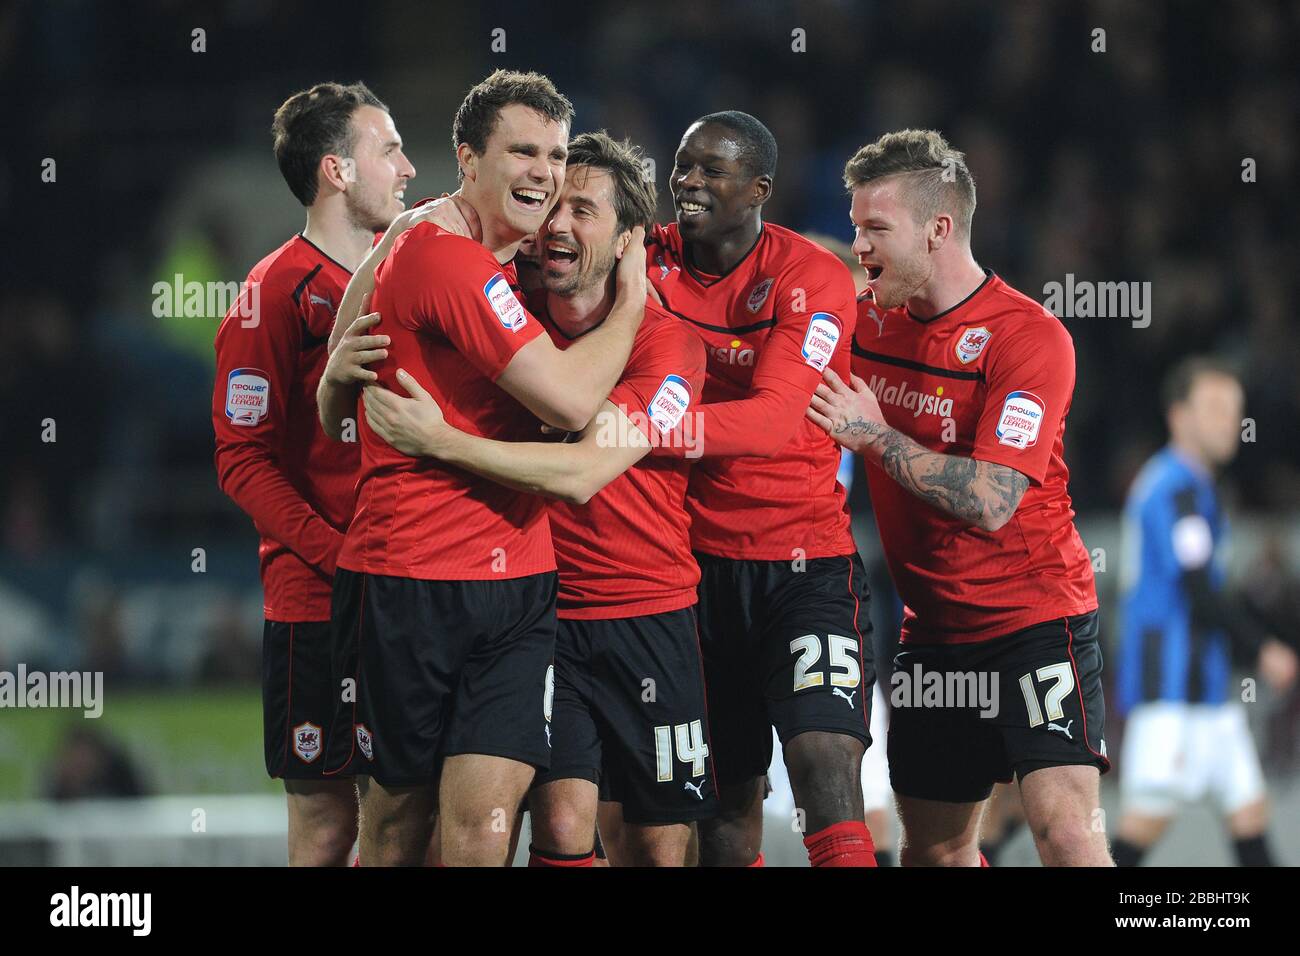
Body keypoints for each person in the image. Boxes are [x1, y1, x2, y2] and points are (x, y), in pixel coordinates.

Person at [314, 70, 648, 866]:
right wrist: (634, 305)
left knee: (486, 821)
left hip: (517, 588)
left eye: (556, 155)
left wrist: (333, 382)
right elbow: (569, 402)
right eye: (521, 151)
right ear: (468, 159)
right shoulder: (446, 257)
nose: (543, 171)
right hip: (407, 584)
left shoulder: (451, 243)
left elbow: (347, 333)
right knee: (396, 827)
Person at [361, 132, 716, 867]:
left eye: (582, 210)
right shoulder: (508, 309)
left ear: (628, 240)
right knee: (553, 824)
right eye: (553, 204)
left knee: (658, 844)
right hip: (542, 616)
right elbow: (420, 252)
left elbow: (586, 472)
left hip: (650, 614)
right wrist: (341, 366)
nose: (555, 224)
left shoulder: (670, 347)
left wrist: (442, 442)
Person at [808, 129, 1110, 866]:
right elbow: (790, 267)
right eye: (855, 228)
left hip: (1037, 619)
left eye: (876, 230)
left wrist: (876, 438)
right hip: (934, 632)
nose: (860, 248)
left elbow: (993, 498)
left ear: (939, 230)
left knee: (1066, 833)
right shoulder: (865, 322)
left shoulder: (1028, 339)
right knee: (935, 853)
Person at [646, 112, 877, 867]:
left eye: (711, 170)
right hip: (690, 571)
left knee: (824, 771)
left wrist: (627, 431)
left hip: (804, 566)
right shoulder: (641, 258)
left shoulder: (810, 275)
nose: (688, 182)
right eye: (682, 165)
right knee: (721, 809)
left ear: (760, 190)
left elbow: (775, 419)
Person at [211, 81, 414, 865]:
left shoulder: (407, 279)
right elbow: (242, 461)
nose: (405, 166)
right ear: (336, 170)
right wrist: (335, 556)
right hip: (319, 604)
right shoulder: (272, 294)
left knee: (415, 812)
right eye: (387, 147)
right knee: (331, 825)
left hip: (411, 590)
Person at [1111, 357, 1297, 866]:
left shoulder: (1193, 487)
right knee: (1140, 829)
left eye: (1234, 409)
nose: (1229, 421)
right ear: (1179, 416)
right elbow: (1198, 587)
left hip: (1207, 691)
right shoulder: (1175, 488)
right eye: (1214, 407)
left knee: (1250, 815)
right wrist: (1263, 649)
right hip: (1171, 690)